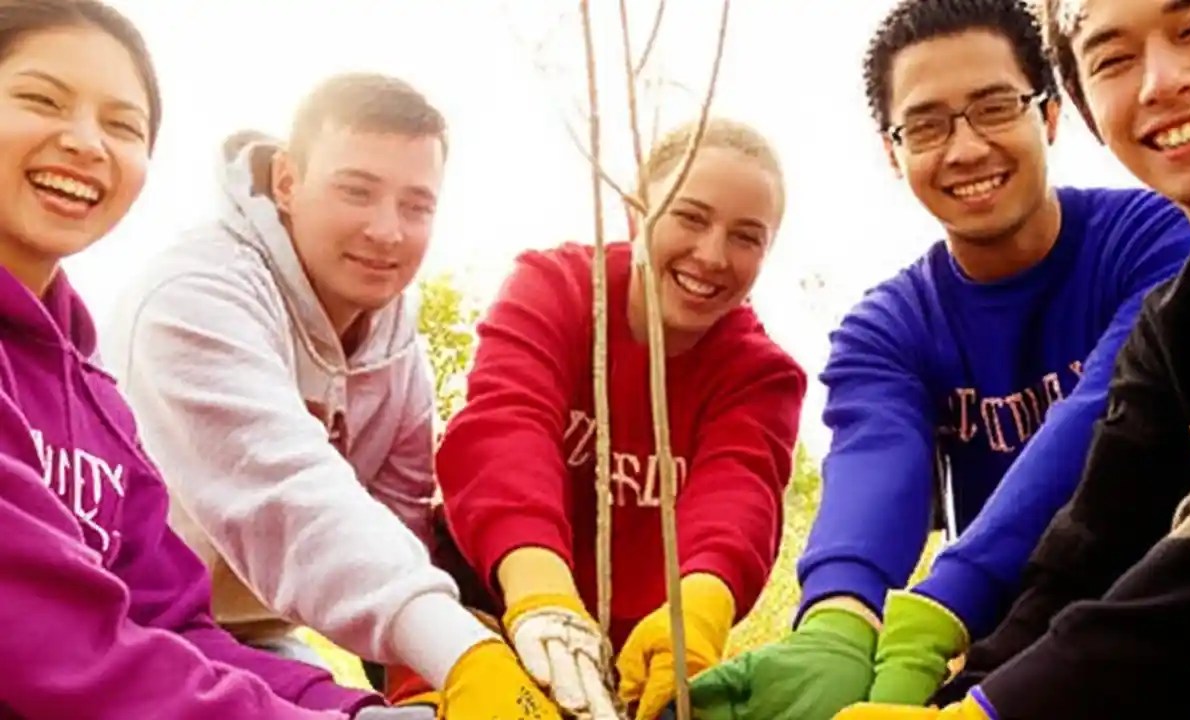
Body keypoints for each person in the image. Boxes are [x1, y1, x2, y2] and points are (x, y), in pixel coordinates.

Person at [687, 1, 1190, 718]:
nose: (964, 149)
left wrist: (944, 599)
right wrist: (837, 621)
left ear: (1049, 116)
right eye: (926, 125)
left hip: (1180, 624)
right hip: (1009, 651)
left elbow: (1098, 417)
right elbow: (876, 463)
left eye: (994, 108)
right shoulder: (889, 327)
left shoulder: (1159, 239)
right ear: (893, 153)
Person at [837, 0, 1190, 717]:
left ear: (1048, 116)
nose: (1160, 82)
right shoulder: (1173, 332)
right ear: (1084, 103)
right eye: (1112, 59)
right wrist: (944, 690)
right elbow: (1089, 553)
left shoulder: (1136, 243)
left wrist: (991, 709)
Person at [0, 1, 439, 718]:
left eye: (122, 125)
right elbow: (57, 649)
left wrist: (360, 710)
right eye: (40, 99)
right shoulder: (193, 299)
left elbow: (169, 623)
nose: (84, 142)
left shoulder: (96, 402)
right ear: (288, 182)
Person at [102, 72, 559, 718]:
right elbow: (290, 500)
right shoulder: (193, 301)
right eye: (357, 191)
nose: (387, 231)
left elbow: (397, 529)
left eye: (416, 206)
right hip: (120, 628)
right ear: (287, 182)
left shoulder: (399, 350)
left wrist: (429, 689)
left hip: (256, 636)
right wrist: (465, 654)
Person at [384, 117, 806, 720]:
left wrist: (699, 609)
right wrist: (540, 595)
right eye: (690, 217)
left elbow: (737, 495)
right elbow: (505, 427)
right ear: (636, 212)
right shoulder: (555, 290)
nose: (712, 255)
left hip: (638, 654)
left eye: (746, 237)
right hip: (486, 602)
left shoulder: (759, 374)